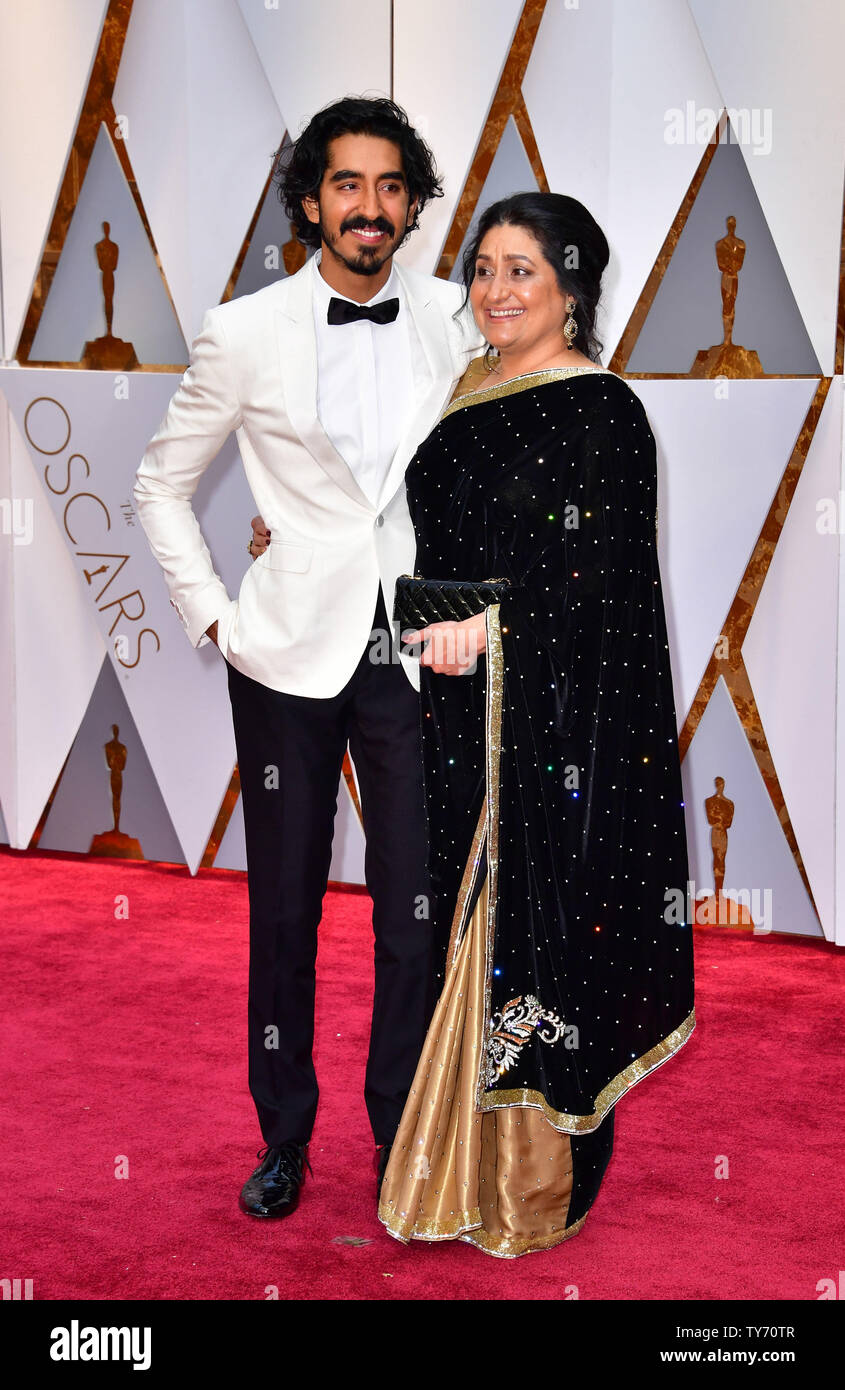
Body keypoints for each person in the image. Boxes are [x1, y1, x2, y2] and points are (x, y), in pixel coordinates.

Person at [254, 192, 695, 1256]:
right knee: (435, 925)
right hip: (442, 703)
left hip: (544, 723)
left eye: (521, 272)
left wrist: (495, 624)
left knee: (522, 929)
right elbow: (404, 523)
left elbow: (605, 580)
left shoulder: (602, 410)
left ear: (571, 290)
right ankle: (436, 1156)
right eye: (484, 269)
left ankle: (523, 1185)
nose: (495, 291)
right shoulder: (458, 384)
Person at [133, 97, 483, 1220]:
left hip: (413, 649)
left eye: (389, 187)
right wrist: (218, 619)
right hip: (281, 656)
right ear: (311, 201)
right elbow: (159, 485)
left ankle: (401, 1134)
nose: (368, 207)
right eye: (347, 185)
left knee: (412, 908)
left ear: (412, 203)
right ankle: (284, 1135)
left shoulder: (455, 317)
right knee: (282, 911)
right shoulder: (244, 331)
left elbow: (489, 469)